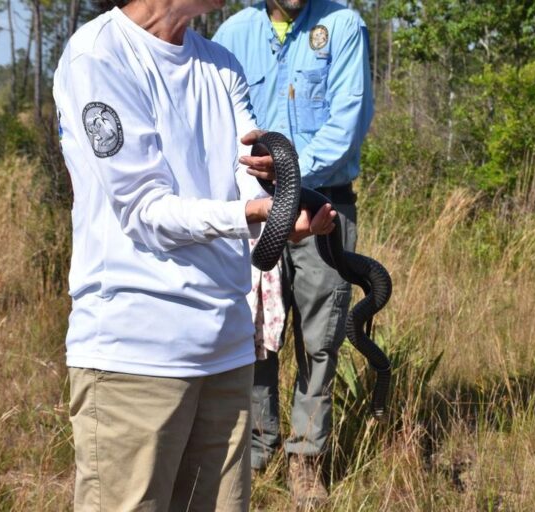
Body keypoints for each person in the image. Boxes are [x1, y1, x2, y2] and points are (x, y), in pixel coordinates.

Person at [53, 0, 336, 510]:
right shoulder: (97, 57)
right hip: (134, 358)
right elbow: (144, 210)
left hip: (225, 354)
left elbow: (248, 169)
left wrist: (282, 210)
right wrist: (254, 214)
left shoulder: (221, 63)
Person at [213, 0, 374, 506]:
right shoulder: (233, 32)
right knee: (255, 333)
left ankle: (306, 460)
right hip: (255, 209)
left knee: (321, 337)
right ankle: (258, 451)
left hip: (325, 202)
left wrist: (286, 168)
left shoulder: (343, 25)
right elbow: (218, 120)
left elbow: (348, 120)